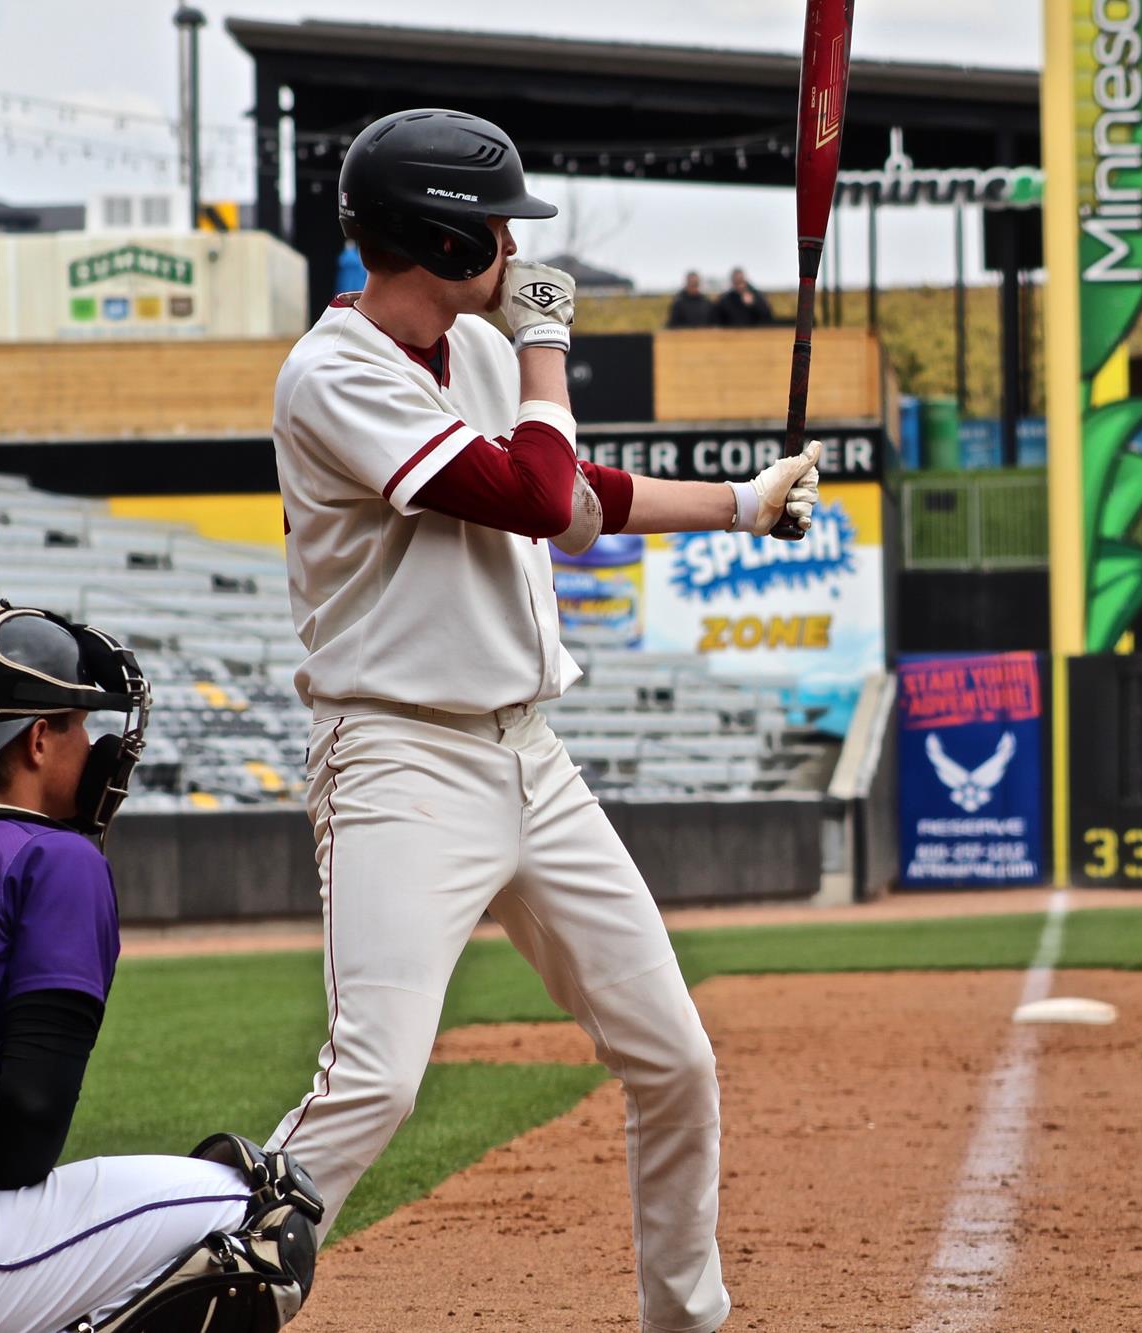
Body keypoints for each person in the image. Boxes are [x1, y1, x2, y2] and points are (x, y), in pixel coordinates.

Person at [266, 108, 822, 1333]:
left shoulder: (471, 347)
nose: (515, 248)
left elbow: (571, 495)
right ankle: (190, 1286)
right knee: (372, 1083)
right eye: (498, 226)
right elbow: (527, 491)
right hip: (400, 759)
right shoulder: (335, 372)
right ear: (444, 237)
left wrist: (741, 502)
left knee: (673, 1057)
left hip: (531, 754)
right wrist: (547, 347)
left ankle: (686, 1320)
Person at [0, 605, 323, 1333]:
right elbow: (28, 1129)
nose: (93, 746)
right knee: (264, 1207)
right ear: (39, 740)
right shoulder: (54, 858)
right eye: (79, 724)